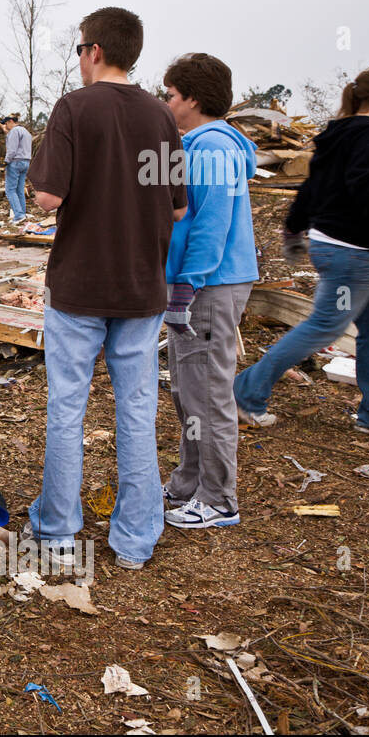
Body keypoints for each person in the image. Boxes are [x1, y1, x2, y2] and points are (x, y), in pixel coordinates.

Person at [25, 7, 187, 571]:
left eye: (77, 50)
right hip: (143, 284)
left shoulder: (73, 107)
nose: (77, 61)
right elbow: (179, 203)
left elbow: (47, 197)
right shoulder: (161, 117)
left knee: (67, 406)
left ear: (94, 51)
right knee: (138, 407)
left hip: (79, 283)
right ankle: (136, 539)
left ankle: (58, 531)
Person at [234, 62, 369, 434]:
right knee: (324, 327)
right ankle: (245, 393)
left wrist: (293, 229)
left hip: (340, 246)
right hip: (353, 251)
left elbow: (310, 188)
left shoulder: (340, 134)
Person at [159, 54, 261, 530]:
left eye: (172, 95)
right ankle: (188, 481)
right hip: (201, 284)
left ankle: (219, 499)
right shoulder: (199, 144)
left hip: (210, 285)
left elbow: (211, 224)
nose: (167, 103)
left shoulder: (214, 147)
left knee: (208, 391)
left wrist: (186, 286)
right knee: (187, 388)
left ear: (193, 99)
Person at [2, 115, 33, 222]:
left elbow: (12, 149)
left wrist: (6, 162)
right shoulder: (26, 132)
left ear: (10, 121)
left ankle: (19, 215)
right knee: (20, 189)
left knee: (10, 190)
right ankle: (22, 213)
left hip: (15, 162)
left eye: (6, 124)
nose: (6, 126)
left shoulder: (14, 131)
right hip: (26, 162)